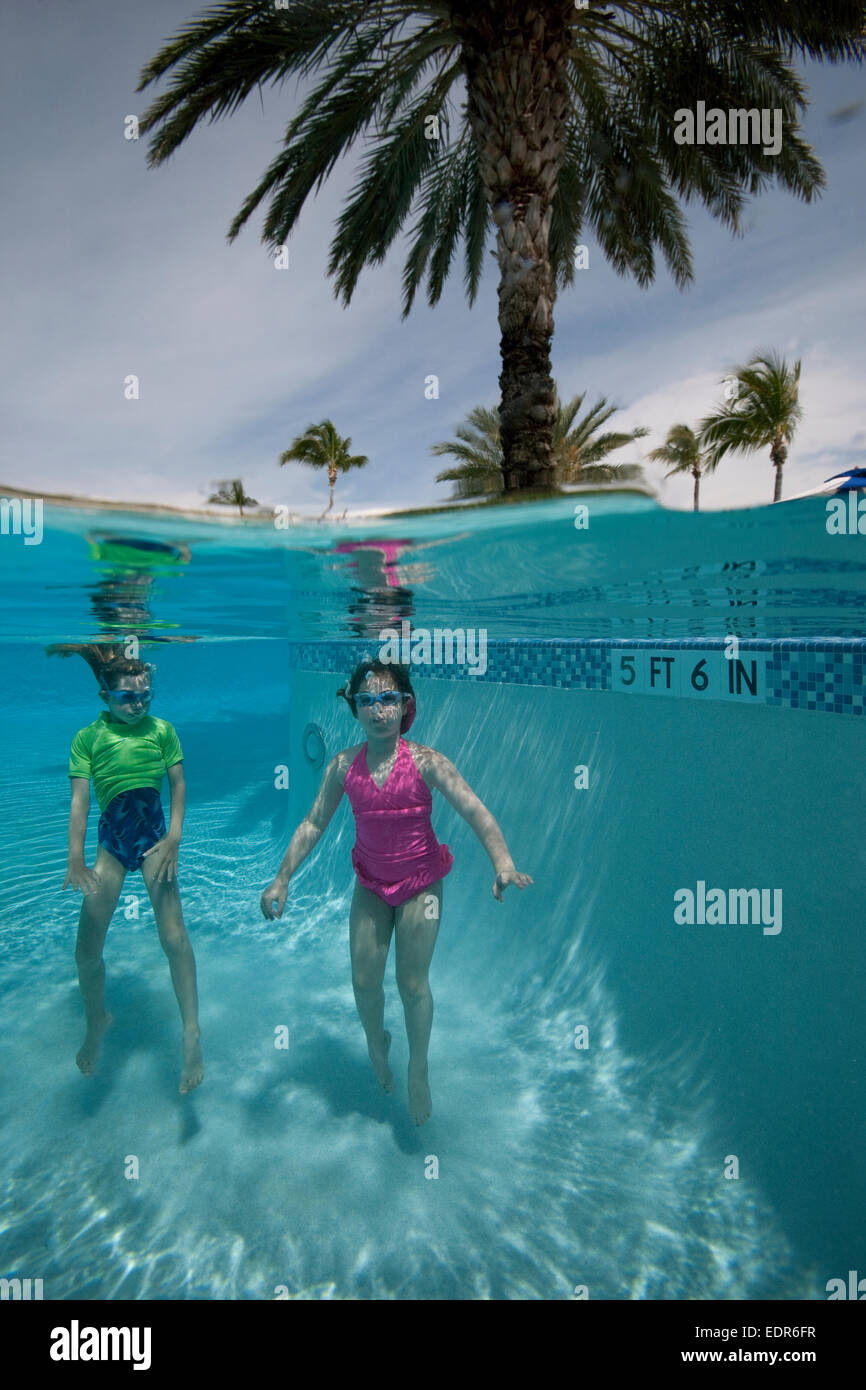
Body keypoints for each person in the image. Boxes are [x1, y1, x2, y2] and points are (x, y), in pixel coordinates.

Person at [260, 660, 532, 1125]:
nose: (377, 709)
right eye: (366, 700)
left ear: (406, 705)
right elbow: (312, 823)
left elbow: (475, 812)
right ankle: (375, 1041)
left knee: (411, 983)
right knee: (364, 981)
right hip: (371, 883)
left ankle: (418, 1066)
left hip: (421, 885)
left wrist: (503, 862)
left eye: (387, 699)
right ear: (355, 708)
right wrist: (282, 877)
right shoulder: (344, 766)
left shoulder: (427, 762)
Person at [60, 646, 203, 1094]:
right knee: (86, 949)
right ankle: (97, 1019)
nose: (137, 705)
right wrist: (75, 859)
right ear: (105, 695)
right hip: (111, 845)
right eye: (126, 698)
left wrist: (175, 837)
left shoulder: (162, 730)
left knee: (174, 937)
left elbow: (178, 786)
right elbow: (80, 802)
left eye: (144, 696)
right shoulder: (87, 739)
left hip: (155, 841)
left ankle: (191, 1030)